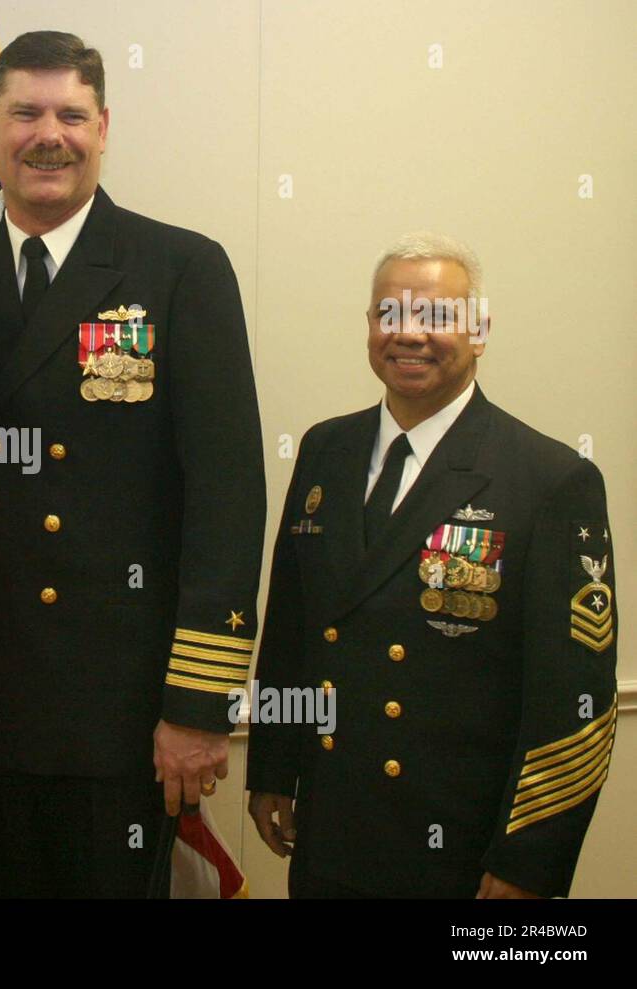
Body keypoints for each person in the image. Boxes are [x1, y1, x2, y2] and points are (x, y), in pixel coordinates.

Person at [0, 31, 266, 897]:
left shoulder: (179, 268)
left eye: (72, 114)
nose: (50, 134)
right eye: (26, 113)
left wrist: (196, 706)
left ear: (104, 126)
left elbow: (227, 499)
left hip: (117, 713)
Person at [247, 233, 618, 898]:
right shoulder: (325, 450)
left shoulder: (549, 477)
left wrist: (528, 860)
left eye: (437, 316)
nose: (409, 334)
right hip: (332, 831)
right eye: (389, 314)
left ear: (480, 330)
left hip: (462, 849)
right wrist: (272, 768)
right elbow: (293, 632)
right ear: (369, 327)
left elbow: (575, 703)